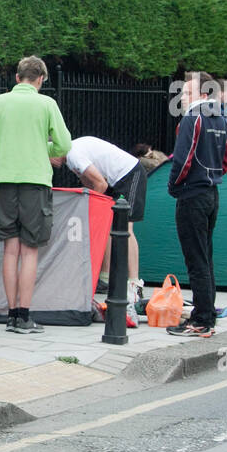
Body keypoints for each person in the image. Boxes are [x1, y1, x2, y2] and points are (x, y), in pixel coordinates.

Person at [0, 55, 72, 333]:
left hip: (6, 179)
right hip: (35, 181)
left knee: (10, 249)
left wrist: (2, 158)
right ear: (41, 79)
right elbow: (64, 144)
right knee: (30, 251)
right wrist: (45, 151)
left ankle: (10, 315)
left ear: (17, 77)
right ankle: (24, 315)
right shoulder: (47, 104)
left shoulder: (0, 102)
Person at [51, 136, 146, 324]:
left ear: (55, 151)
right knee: (109, 227)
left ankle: (134, 283)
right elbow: (92, 183)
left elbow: (100, 185)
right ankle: (105, 278)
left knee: (125, 228)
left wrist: (89, 205)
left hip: (130, 174)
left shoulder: (73, 154)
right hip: (114, 179)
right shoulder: (72, 158)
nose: (51, 164)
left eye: (49, 157)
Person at [167, 71, 227, 338]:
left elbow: (183, 159)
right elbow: (226, 161)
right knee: (206, 258)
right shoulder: (222, 120)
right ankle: (208, 314)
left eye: (187, 92)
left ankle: (202, 320)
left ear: (203, 95)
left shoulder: (192, 118)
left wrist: (173, 186)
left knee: (196, 260)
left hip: (192, 194)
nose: (182, 97)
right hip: (212, 193)